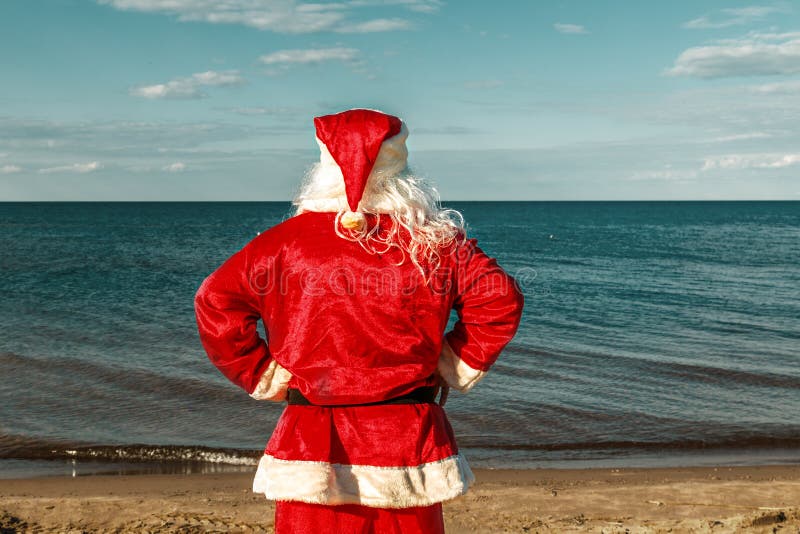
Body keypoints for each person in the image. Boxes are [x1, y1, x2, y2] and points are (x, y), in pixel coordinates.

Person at [194, 108, 524, 533]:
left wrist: (263, 374)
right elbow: (500, 299)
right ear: (400, 167)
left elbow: (215, 300)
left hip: (311, 440)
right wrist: (451, 362)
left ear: (324, 166)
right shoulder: (438, 243)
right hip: (406, 442)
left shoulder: (281, 245)